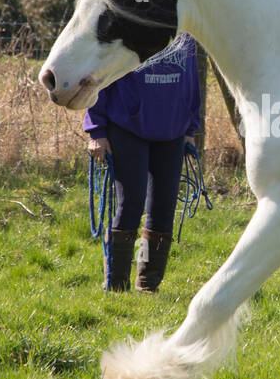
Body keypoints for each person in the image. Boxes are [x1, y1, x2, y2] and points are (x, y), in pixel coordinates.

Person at [84, 34, 202, 292]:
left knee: (163, 208)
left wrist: (190, 127)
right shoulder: (129, 26)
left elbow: (190, 78)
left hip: (172, 129)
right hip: (127, 125)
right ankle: (116, 285)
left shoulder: (185, 33)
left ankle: (148, 284)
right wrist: (97, 130)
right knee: (131, 203)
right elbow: (101, 76)